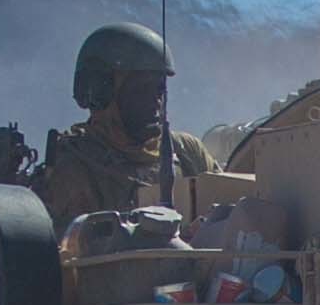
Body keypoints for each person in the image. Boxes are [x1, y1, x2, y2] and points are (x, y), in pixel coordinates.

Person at [39, 21, 215, 221]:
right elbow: (71, 246)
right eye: (140, 90)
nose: (156, 101)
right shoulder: (75, 168)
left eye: (159, 89)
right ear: (101, 93)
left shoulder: (186, 152)